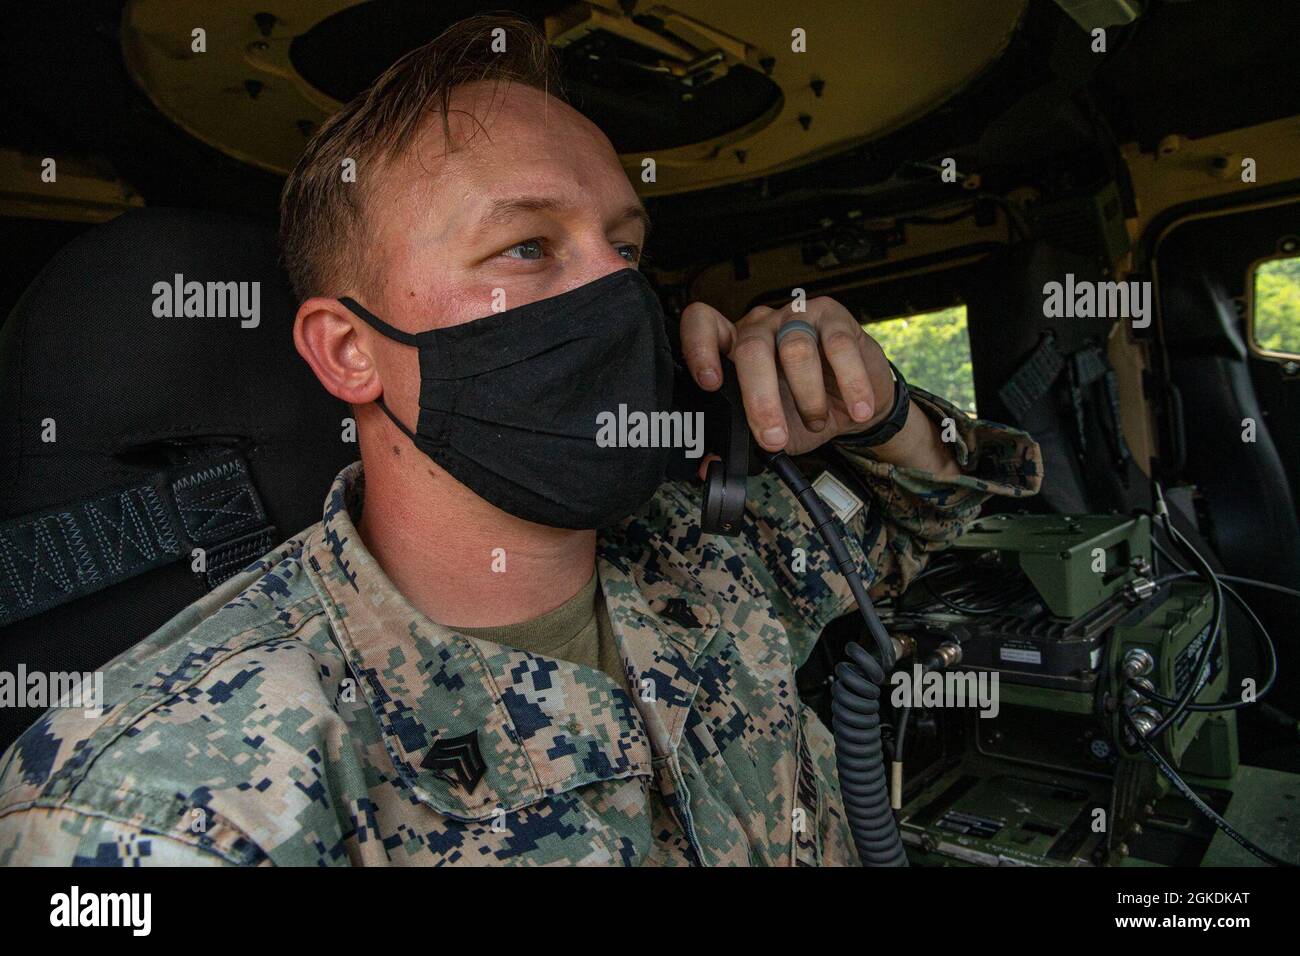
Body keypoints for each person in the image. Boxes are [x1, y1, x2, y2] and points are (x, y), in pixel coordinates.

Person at [0, 15, 1040, 866]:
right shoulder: (163, 797)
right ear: (348, 353)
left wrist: (876, 408)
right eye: (529, 245)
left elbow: (924, 513)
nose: (616, 292)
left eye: (625, 245)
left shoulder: (704, 549)